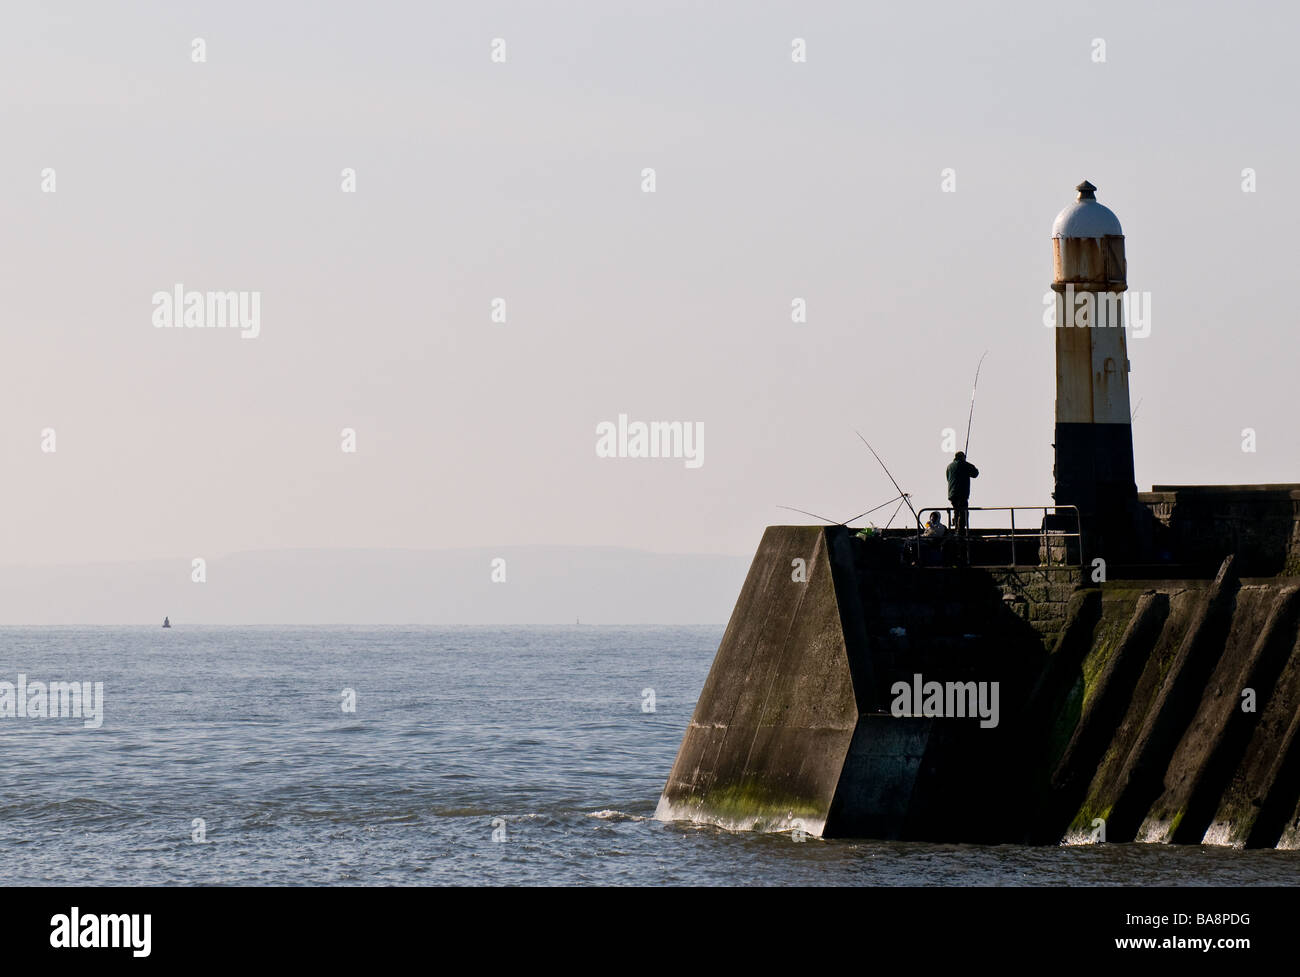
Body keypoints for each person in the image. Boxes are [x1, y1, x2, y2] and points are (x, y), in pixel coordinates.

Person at [946, 451, 979, 534]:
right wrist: (966, 463)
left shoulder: (949, 466)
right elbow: (975, 473)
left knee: (956, 511)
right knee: (963, 512)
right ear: (963, 457)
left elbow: (948, 478)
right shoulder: (965, 465)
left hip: (952, 494)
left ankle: (956, 528)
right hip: (962, 493)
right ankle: (960, 532)